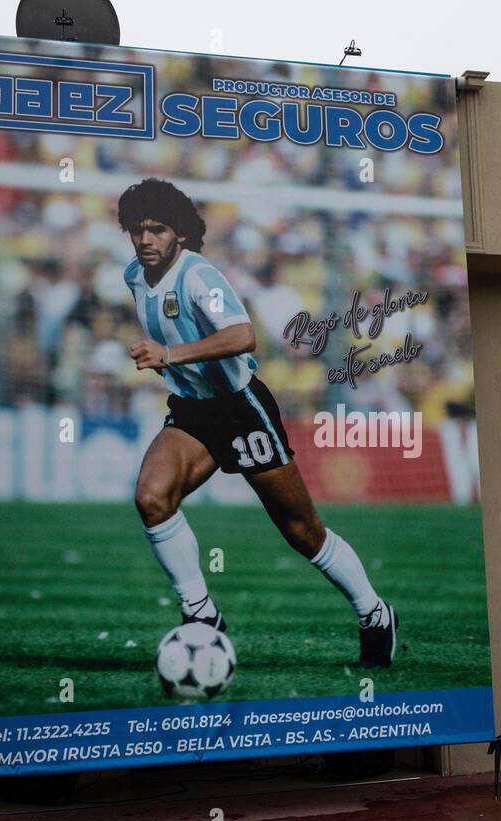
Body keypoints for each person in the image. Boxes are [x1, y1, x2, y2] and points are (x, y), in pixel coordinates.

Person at [120, 177, 398, 667]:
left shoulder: (198, 276)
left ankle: (374, 612)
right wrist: (176, 365)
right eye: (138, 230)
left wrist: (170, 354)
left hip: (239, 407)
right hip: (192, 410)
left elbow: (243, 336)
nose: (146, 240)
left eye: (158, 229)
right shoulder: (134, 276)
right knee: (151, 497)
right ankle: (201, 614)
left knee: (301, 530)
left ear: (179, 234)